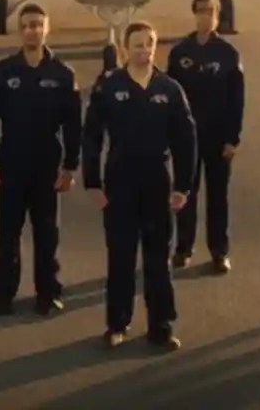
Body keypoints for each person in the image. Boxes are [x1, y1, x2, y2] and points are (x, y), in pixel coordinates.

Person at [83, 21, 197, 351]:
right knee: (120, 256)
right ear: (124, 48)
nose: (144, 49)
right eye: (137, 44)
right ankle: (117, 324)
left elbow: (186, 141)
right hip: (120, 179)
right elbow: (91, 136)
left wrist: (183, 186)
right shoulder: (109, 86)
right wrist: (92, 181)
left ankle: (161, 325)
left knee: (157, 258)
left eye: (149, 43)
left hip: (156, 181)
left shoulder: (170, 89)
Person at [0, 3, 83, 316]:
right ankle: (4, 294)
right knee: (8, 233)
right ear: (19, 30)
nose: (32, 30)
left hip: (46, 165)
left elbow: (74, 125)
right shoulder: (3, 71)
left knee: (47, 233)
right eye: (26, 25)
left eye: (38, 24)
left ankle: (47, 293)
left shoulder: (63, 74)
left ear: (47, 27)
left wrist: (70, 166)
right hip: (11, 163)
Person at [166, 0, 245, 273]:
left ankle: (219, 251)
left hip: (218, 138)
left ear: (217, 16)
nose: (205, 16)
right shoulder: (180, 53)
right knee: (185, 193)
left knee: (218, 197)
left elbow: (237, 99)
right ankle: (183, 248)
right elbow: (171, 97)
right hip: (187, 138)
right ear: (194, 14)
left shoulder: (228, 54)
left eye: (211, 12)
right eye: (201, 11)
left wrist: (233, 138)